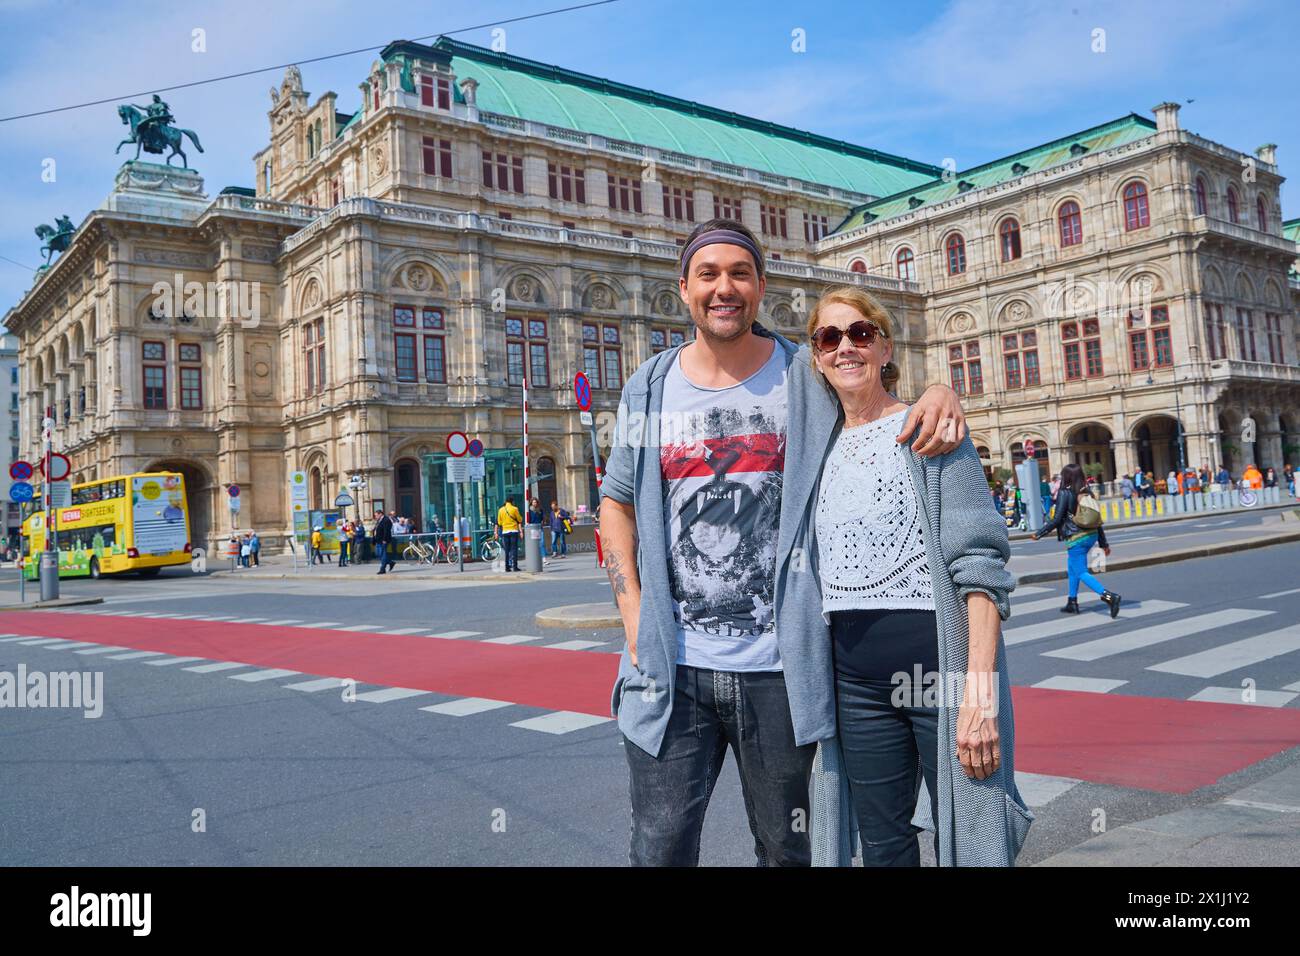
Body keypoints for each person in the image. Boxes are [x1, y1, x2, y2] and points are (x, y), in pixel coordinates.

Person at [599, 218, 967, 867]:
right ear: (683, 288)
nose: (724, 288)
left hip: (782, 674)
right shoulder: (648, 386)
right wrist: (634, 621)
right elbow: (616, 504)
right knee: (657, 848)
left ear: (760, 286)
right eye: (707, 274)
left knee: (790, 848)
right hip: (672, 673)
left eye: (739, 273)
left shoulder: (805, 377)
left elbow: (872, 393)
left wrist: (938, 390)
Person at [800, 286, 1027, 867]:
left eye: (860, 334)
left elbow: (980, 568)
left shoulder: (929, 430)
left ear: (885, 346)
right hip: (852, 681)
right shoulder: (812, 447)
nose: (845, 347)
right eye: (830, 337)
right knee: (882, 844)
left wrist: (980, 697)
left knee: (968, 833)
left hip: (938, 670)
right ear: (816, 355)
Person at [1033, 463, 1121, 616]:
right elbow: (1097, 521)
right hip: (1091, 535)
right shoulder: (1087, 493)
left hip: (1077, 538)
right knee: (1072, 569)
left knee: (1081, 572)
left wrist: (1039, 533)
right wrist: (1103, 543)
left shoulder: (1064, 493)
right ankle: (1072, 602)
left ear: (1066, 477)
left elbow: (1057, 518)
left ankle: (1109, 597)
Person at [496, 496, 523, 572]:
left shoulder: (501, 510)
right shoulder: (514, 509)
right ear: (512, 501)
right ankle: (515, 567)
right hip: (513, 530)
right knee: (514, 549)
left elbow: (499, 522)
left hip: (505, 531)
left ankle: (507, 567)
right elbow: (520, 519)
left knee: (507, 550)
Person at [372, 509, 396, 574]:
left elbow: (386, 531)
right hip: (378, 540)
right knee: (378, 554)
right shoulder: (379, 520)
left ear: (380, 514)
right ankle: (391, 562)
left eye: (376, 515)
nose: (375, 517)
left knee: (383, 554)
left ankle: (382, 569)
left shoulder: (386, 520)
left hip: (383, 540)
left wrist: (384, 539)